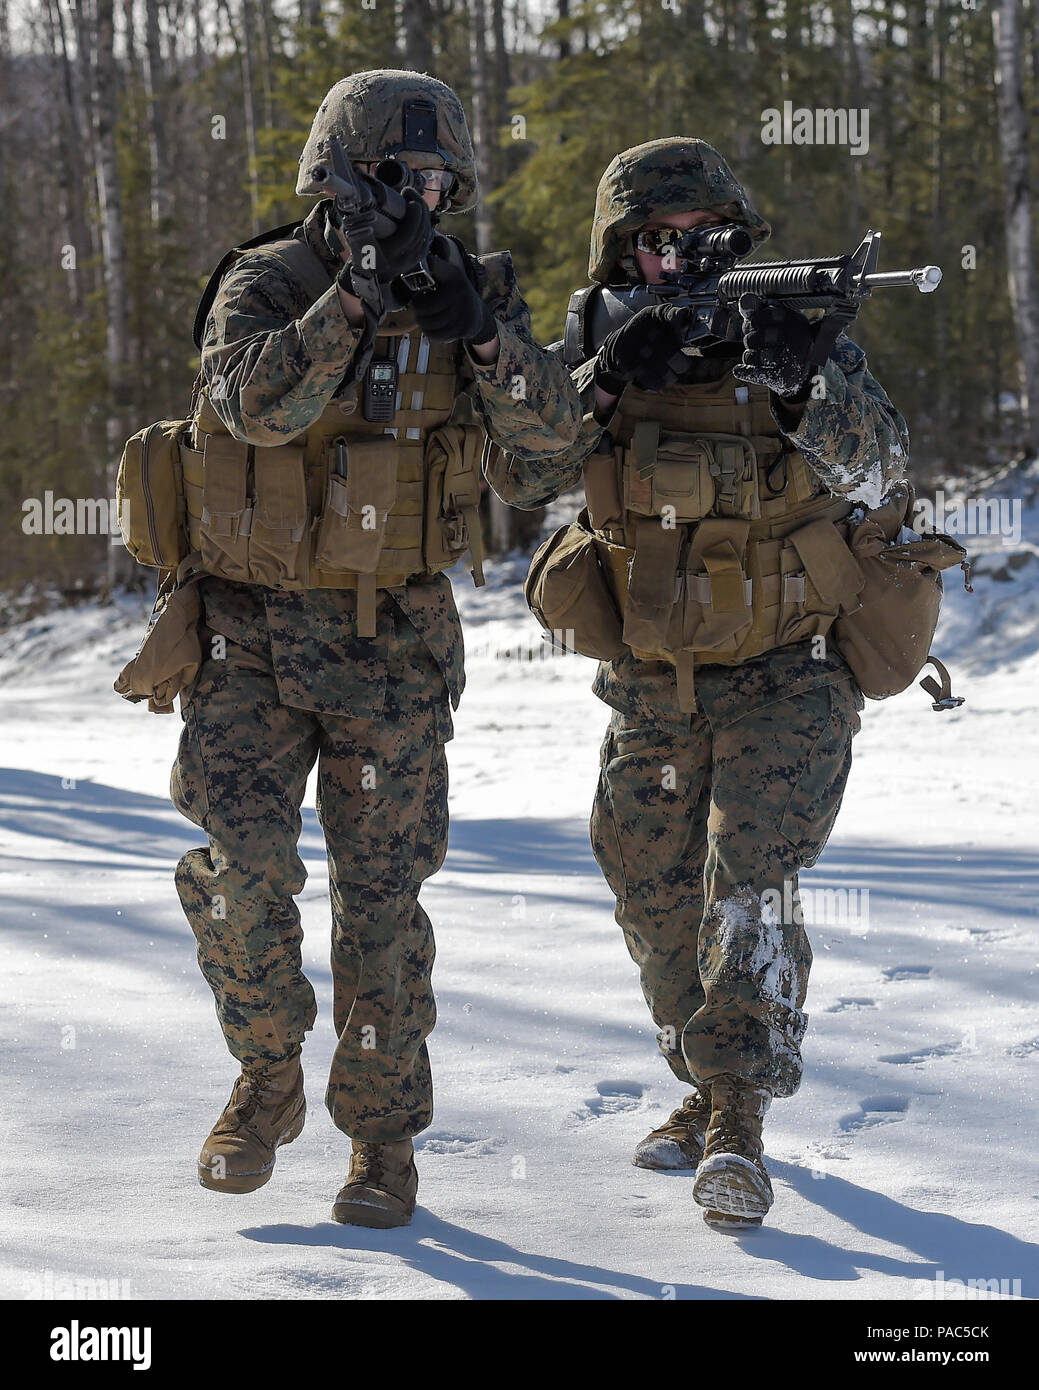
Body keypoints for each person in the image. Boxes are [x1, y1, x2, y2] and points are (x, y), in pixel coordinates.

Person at [171, 70, 582, 1229]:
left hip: (390, 644)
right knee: (241, 877)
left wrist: (490, 336)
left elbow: (548, 465)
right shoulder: (270, 279)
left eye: (444, 182)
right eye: (406, 179)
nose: (428, 199)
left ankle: (382, 1141)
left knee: (382, 908)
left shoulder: (468, 292)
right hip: (249, 640)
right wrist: (350, 298)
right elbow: (250, 409)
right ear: (343, 176)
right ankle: (265, 1080)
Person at [487, 137, 909, 1231]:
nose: (678, 259)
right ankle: (698, 1071)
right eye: (654, 242)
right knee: (647, 882)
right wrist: (611, 376)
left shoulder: (788, 332)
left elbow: (882, 467)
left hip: (791, 670)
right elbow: (518, 474)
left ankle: (735, 1116)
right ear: (622, 248)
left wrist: (801, 373)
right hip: (654, 679)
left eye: (697, 240)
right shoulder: (592, 341)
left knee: (748, 881)